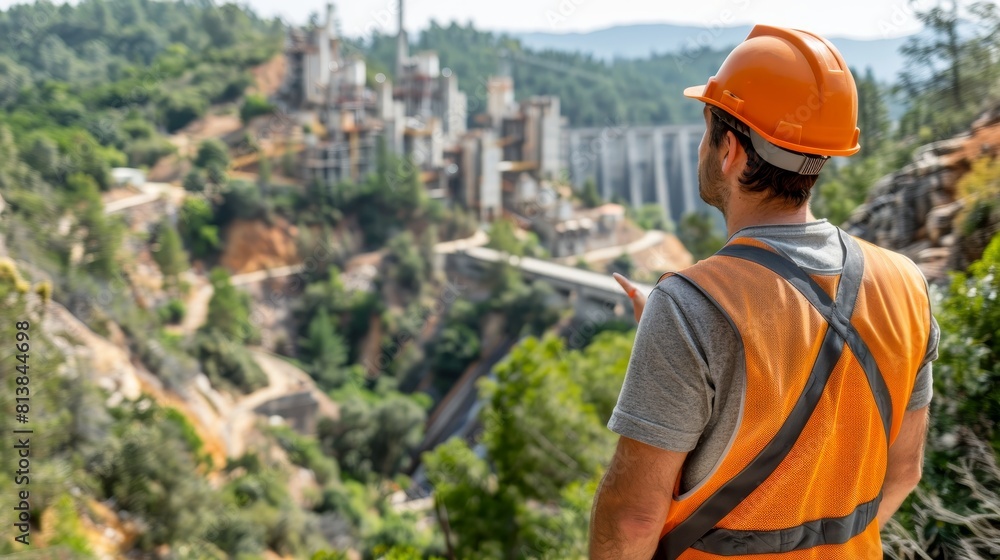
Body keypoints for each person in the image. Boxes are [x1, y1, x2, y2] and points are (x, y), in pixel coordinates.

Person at [589, 24, 939, 560]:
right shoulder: (907, 285)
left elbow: (633, 519)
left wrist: (681, 329)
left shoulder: (690, 307)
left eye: (707, 131)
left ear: (729, 150)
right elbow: (904, 472)